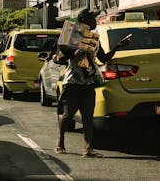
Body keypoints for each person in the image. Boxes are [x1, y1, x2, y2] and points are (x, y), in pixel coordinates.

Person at [53, 9, 130, 158]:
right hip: (73, 81)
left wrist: (118, 46)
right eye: (93, 18)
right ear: (85, 20)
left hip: (89, 81)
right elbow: (60, 56)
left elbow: (103, 58)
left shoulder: (94, 38)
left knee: (88, 116)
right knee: (68, 114)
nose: (96, 20)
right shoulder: (72, 34)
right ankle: (60, 142)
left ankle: (88, 148)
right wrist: (73, 53)